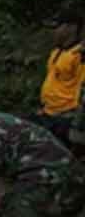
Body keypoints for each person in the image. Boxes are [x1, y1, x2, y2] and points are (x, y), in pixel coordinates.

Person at [32, 11, 84, 145]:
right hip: (47, 113)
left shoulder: (79, 55)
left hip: (66, 117)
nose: (54, 32)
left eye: (57, 27)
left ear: (71, 27)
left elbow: (81, 89)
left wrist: (76, 122)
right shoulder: (56, 52)